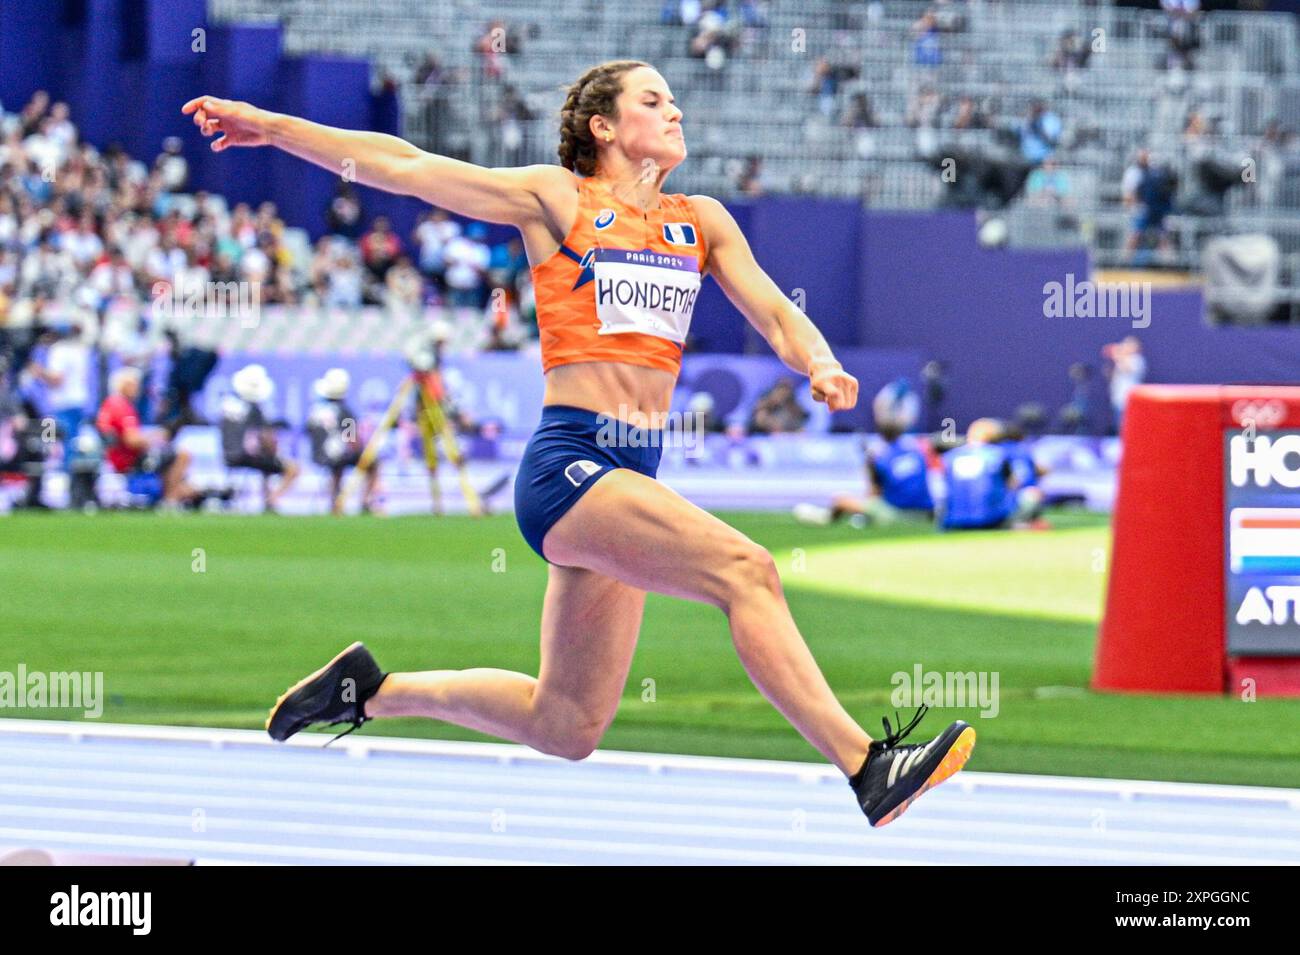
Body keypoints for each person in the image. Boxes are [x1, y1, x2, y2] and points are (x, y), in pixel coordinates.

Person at [185, 59, 975, 829]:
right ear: (604, 125)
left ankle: (368, 690)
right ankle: (867, 765)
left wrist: (820, 361)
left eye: (674, 102)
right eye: (654, 100)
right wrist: (272, 126)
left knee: (566, 723)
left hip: (633, 472)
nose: (675, 112)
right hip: (572, 466)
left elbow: (773, 311)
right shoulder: (556, 199)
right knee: (747, 569)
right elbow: (408, 165)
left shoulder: (700, 221)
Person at [219, 363, 300, 512]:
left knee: (266, 463)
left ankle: (268, 499)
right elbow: (266, 436)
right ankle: (272, 499)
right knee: (292, 468)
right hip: (246, 456)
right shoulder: (254, 408)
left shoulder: (227, 406)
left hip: (228, 456)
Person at [307, 367, 377, 515]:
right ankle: (365, 502)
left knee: (337, 467)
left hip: (317, 456)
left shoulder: (315, 410)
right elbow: (352, 440)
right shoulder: (345, 411)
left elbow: (309, 431)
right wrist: (364, 451)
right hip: (338, 456)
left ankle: (334, 503)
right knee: (372, 463)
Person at [1102, 336, 1146, 434]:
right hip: (1118, 398)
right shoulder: (1122, 360)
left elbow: (1127, 369)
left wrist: (1117, 354)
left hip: (1129, 399)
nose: (1125, 347)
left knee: (1128, 425)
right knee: (1118, 425)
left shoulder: (1137, 360)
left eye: (1129, 345)